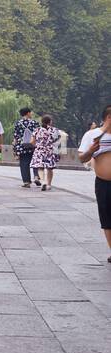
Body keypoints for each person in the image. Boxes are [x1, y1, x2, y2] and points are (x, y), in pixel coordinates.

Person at [76, 103, 111, 263]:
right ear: (108, 117)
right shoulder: (92, 135)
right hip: (104, 183)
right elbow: (82, 158)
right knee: (107, 219)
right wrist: (91, 150)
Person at [31, 115, 60, 191]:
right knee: (49, 168)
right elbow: (57, 141)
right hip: (50, 150)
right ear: (50, 121)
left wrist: (37, 146)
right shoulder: (55, 130)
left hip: (39, 150)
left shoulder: (37, 130)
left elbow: (32, 141)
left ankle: (43, 181)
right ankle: (49, 184)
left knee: (40, 167)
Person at [12, 107, 40, 187]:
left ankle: (26, 182)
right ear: (27, 113)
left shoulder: (18, 123)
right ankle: (36, 176)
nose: (31, 114)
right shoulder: (34, 123)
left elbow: (15, 137)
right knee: (36, 161)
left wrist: (15, 148)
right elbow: (38, 134)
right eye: (30, 112)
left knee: (24, 163)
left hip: (22, 146)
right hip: (33, 145)